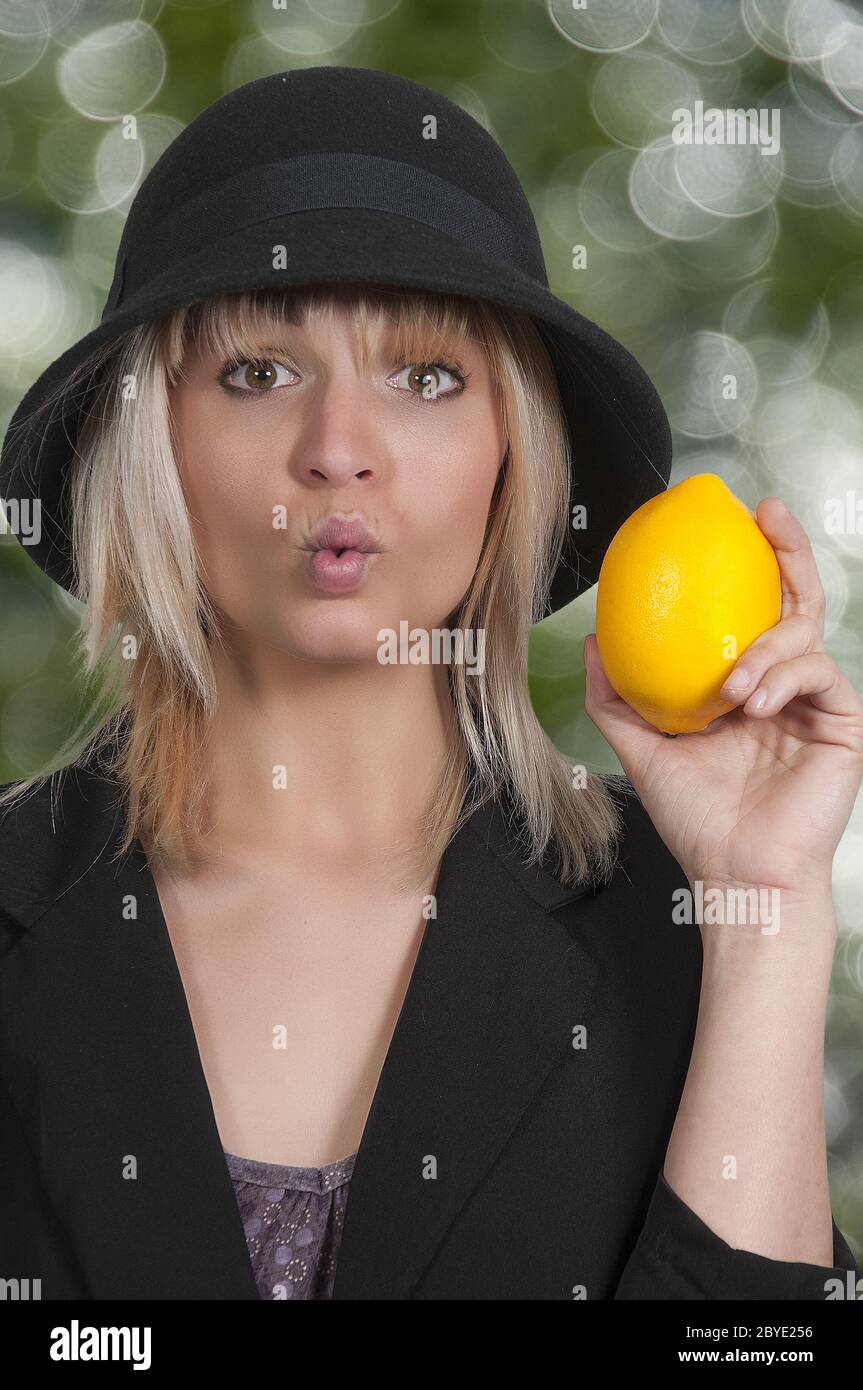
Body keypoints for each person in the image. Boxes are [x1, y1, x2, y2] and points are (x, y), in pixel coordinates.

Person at [0, 67, 860, 1302]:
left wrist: (764, 904)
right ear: (151, 442)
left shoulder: (678, 927)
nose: (337, 448)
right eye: (256, 370)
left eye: (424, 377)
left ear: (514, 455)